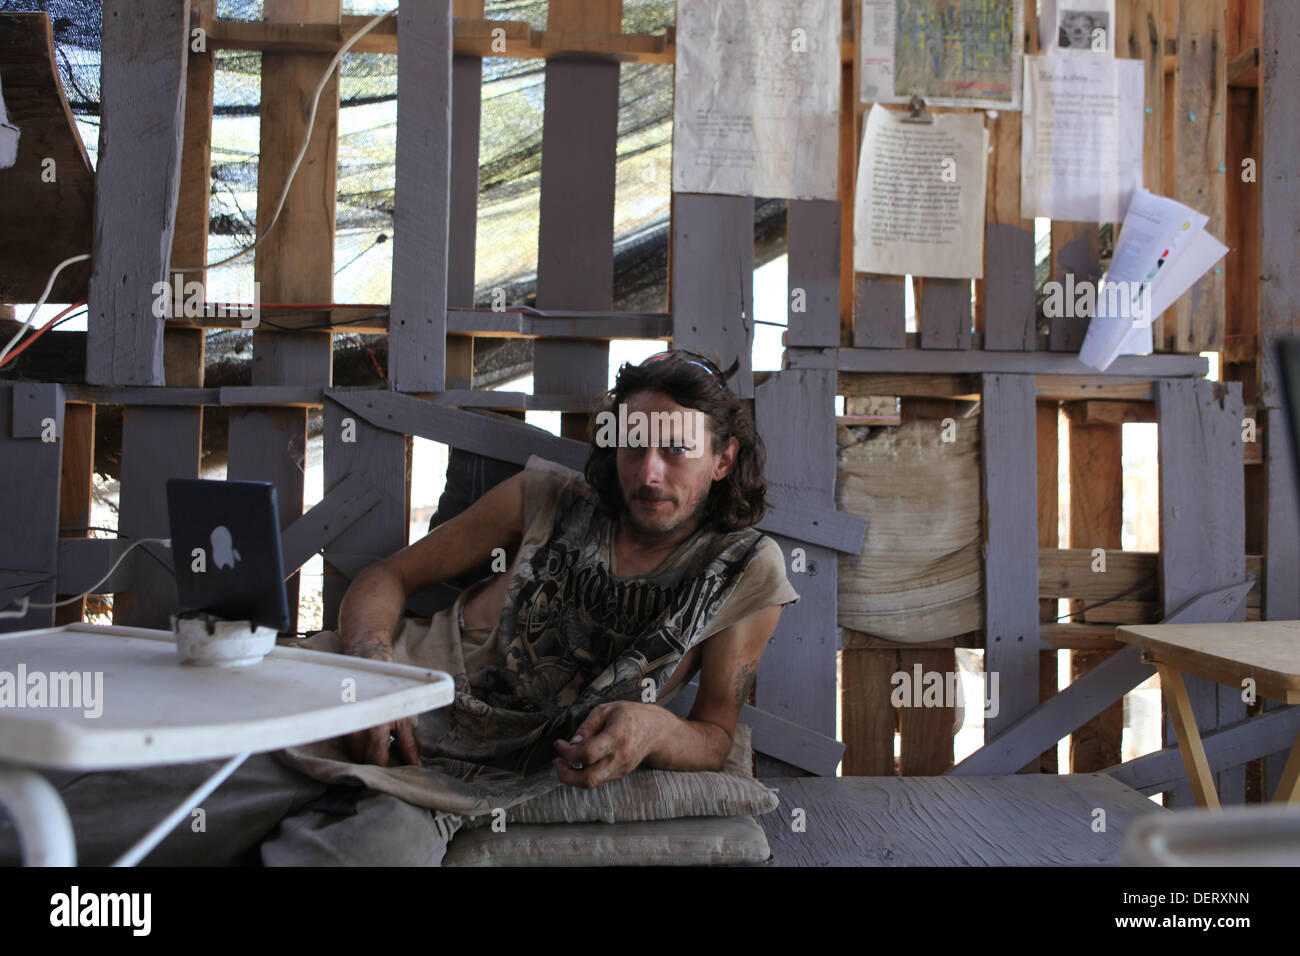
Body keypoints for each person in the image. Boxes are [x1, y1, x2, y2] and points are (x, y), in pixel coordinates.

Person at [0, 350, 798, 866]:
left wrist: (654, 727)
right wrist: (373, 670)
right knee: (90, 820)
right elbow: (387, 577)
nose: (650, 473)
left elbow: (717, 732)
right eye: (634, 446)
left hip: (457, 781)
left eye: (677, 452)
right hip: (353, 706)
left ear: (724, 457)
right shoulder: (548, 498)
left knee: (370, 857)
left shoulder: (741, 569)